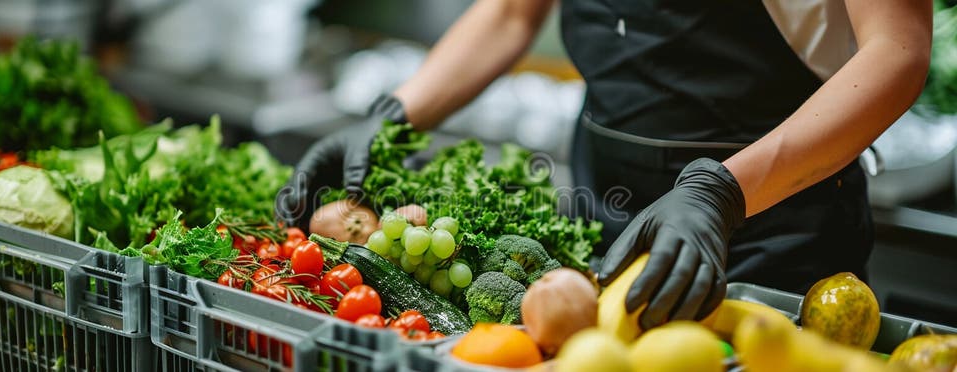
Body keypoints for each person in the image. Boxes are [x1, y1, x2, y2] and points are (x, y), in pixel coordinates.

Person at [277, 1, 932, 330]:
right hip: (604, 206)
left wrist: (720, 193)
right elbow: (511, 12)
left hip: (773, 223)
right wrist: (393, 117)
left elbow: (897, 51)